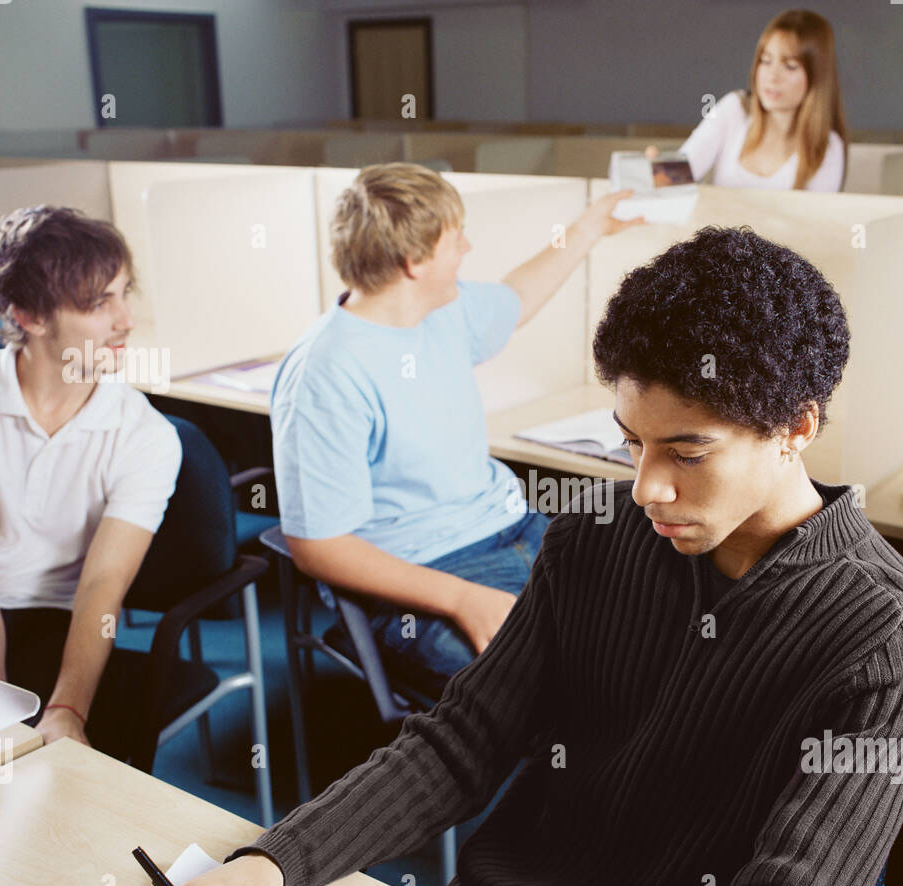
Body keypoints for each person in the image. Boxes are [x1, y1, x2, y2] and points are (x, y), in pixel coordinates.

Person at [167, 226, 903, 886]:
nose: (646, 486)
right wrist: (275, 863)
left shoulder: (890, 637)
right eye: (631, 444)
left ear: (798, 428)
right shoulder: (591, 539)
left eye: (686, 452)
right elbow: (458, 744)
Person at [271, 163, 638, 691]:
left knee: (654, 623)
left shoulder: (442, 310)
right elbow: (318, 546)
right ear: (414, 261)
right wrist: (463, 599)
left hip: (513, 528)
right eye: (455, 237)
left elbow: (517, 297)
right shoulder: (325, 372)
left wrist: (589, 228)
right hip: (425, 576)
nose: (467, 247)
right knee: (561, 686)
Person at [0, 205, 181, 753]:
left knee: (91, 762)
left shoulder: (146, 435)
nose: (125, 320)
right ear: (28, 315)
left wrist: (66, 710)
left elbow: (102, 585)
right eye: (98, 302)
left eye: (124, 293)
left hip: (58, 617)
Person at [648, 10, 847, 192]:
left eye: (790, 66)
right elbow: (682, 172)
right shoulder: (733, 109)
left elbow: (815, 224)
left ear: (817, 76)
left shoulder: (827, 147)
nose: (772, 76)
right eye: (766, 61)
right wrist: (654, 172)